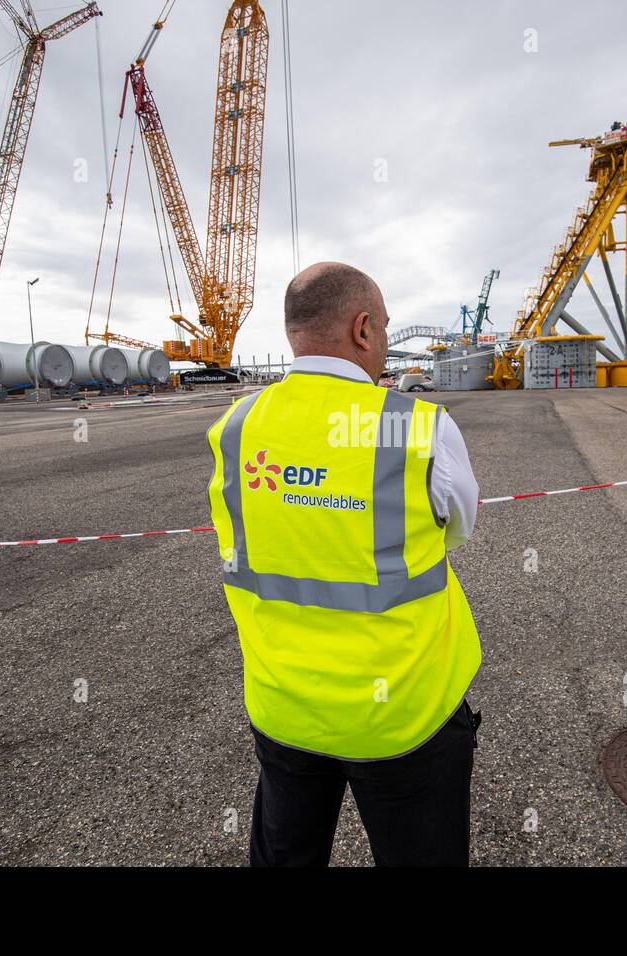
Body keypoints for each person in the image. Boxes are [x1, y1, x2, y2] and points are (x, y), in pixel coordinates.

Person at [206, 261, 483, 866]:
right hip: (403, 717)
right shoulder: (413, 426)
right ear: (363, 329)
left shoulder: (238, 426)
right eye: (383, 328)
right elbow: (459, 531)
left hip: (284, 709)